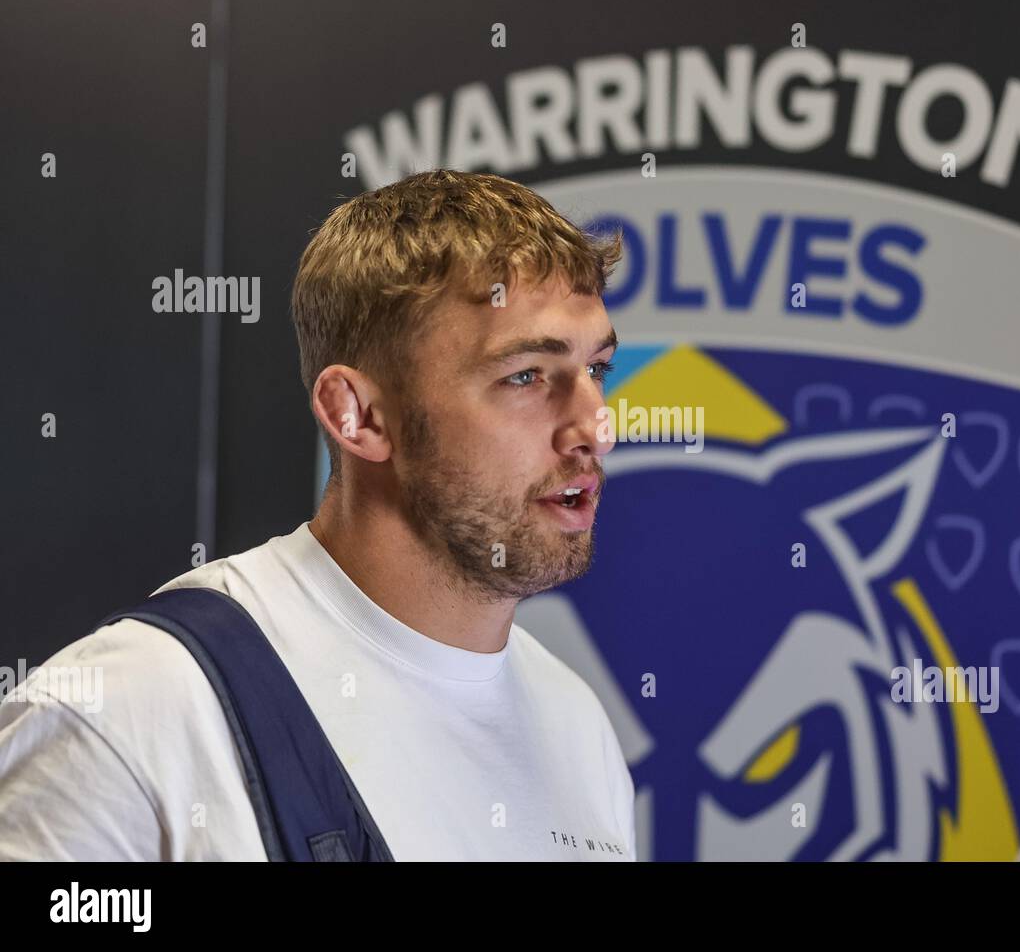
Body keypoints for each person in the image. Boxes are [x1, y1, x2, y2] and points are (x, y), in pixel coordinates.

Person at [0, 169, 636, 861]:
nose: (593, 427)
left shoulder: (579, 727)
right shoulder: (131, 712)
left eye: (595, 369)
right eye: (526, 376)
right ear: (356, 415)